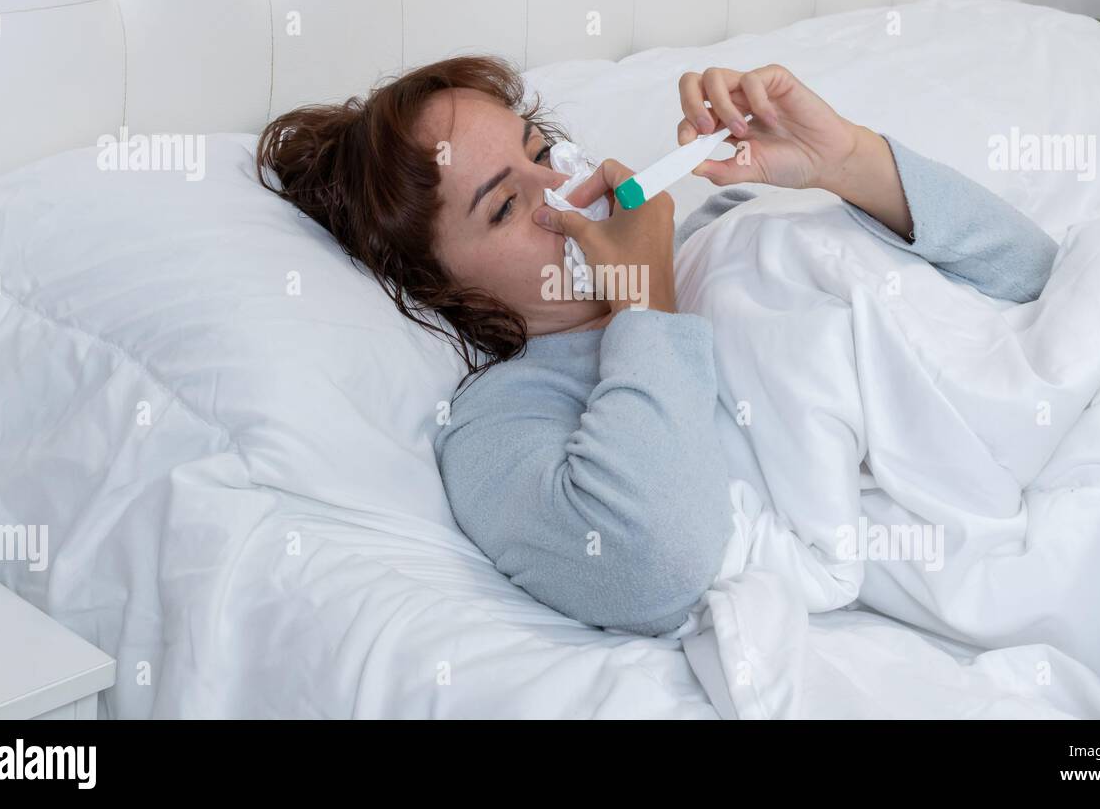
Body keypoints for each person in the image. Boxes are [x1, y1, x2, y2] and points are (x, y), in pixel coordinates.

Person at [257, 56, 1058, 636]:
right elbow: (652, 568)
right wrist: (646, 305)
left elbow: (1032, 279)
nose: (560, 189)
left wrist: (844, 161)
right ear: (440, 289)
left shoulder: (722, 226)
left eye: (540, 152)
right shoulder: (502, 426)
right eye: (504, 207)